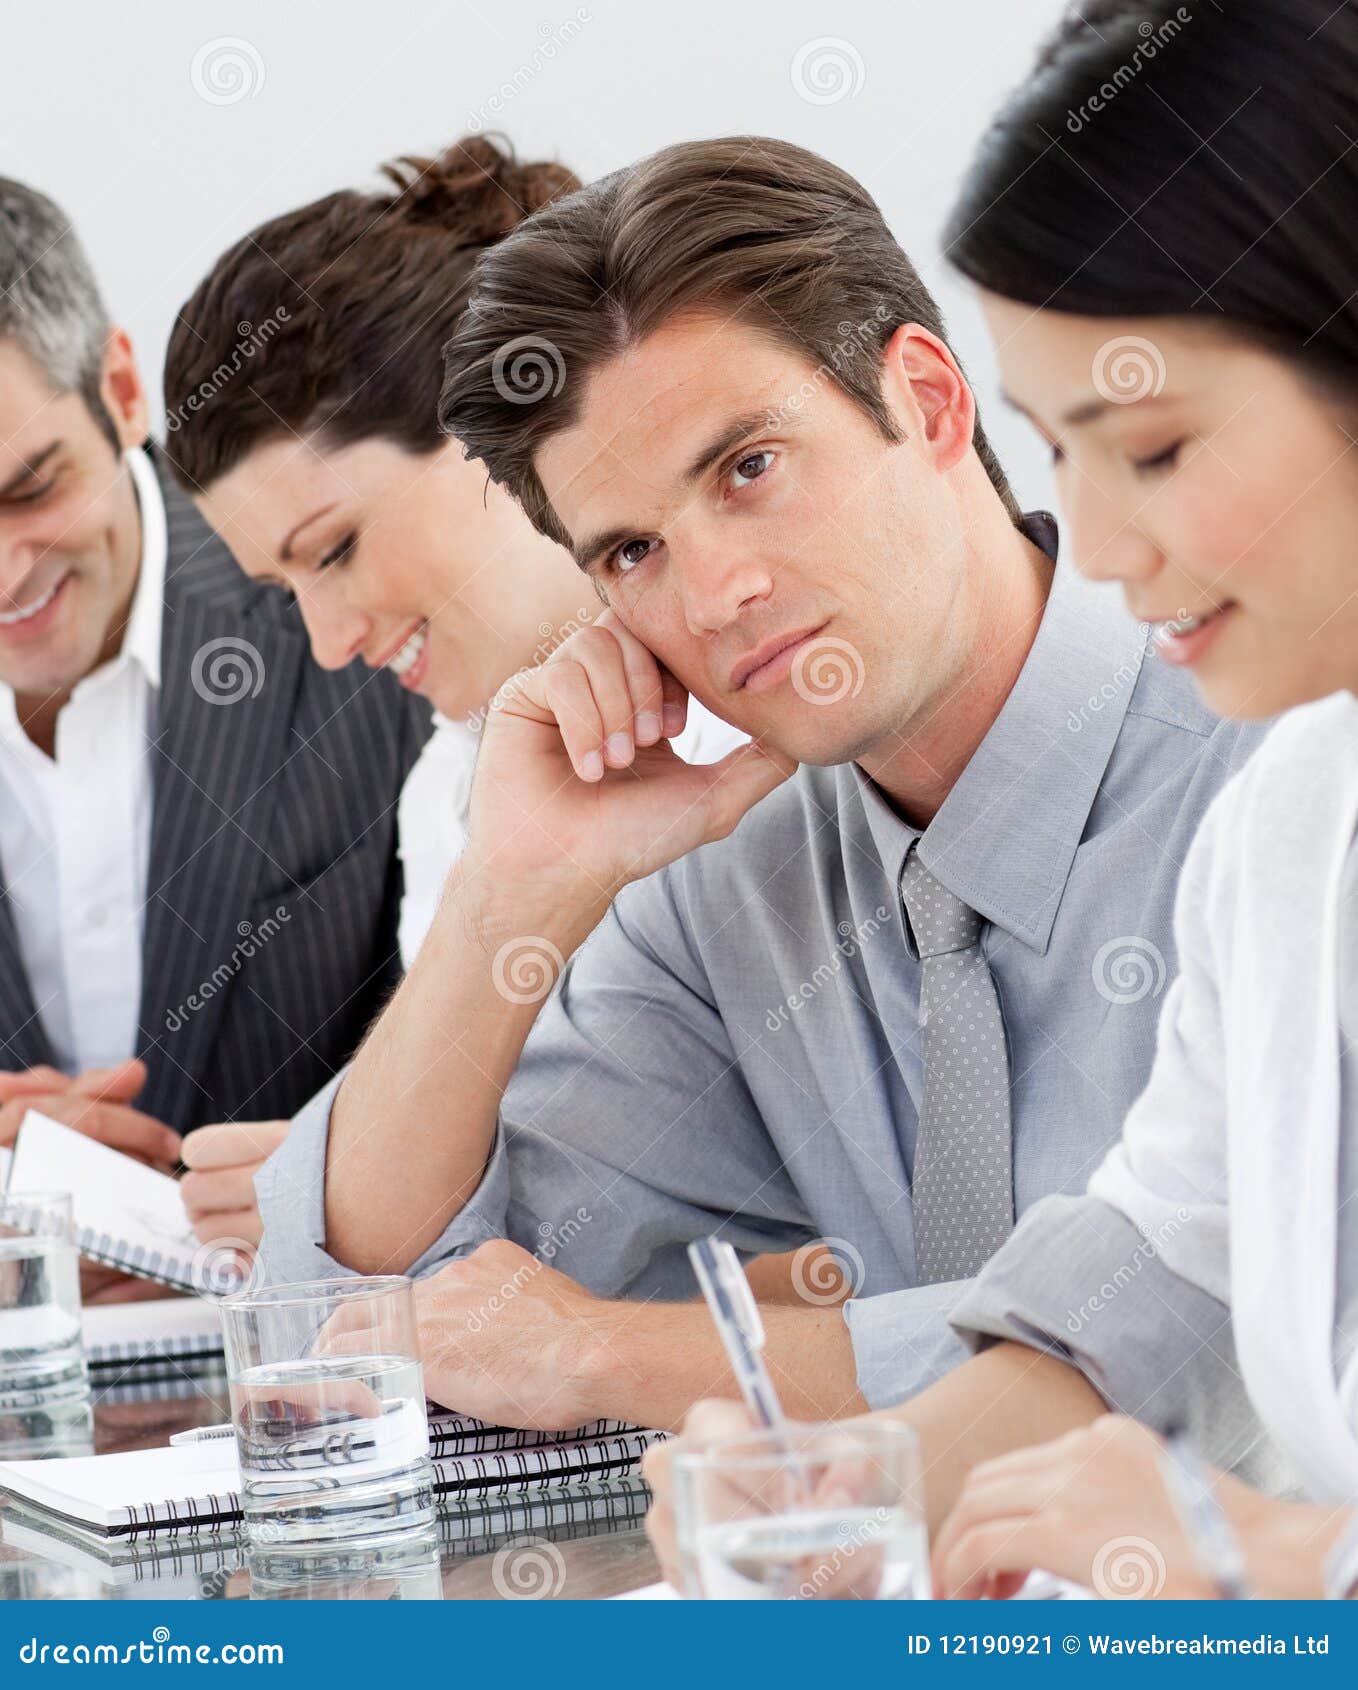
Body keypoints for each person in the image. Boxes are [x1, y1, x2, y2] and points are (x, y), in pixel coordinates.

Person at [251, 134, 1269, 1442]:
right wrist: (509, 894)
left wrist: (616, 1357)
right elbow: (361, 1305)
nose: (716, 592)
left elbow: (1207, 1340)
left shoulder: (1271, 766)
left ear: (926, 398)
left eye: (747, 467)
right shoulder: (732, 876)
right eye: (631, 550)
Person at [650, 0, 1358, 1601]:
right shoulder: (1295, 815)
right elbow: (1163, 1251)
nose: (1094, 545)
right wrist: (869, 1482)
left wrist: (1276, 1566)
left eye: (1155, 448)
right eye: (1058, 451)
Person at [162, 134, 745, 1251]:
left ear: (489, 430)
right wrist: (342, 1174)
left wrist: (347, 1184)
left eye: (330, 551)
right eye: (287, 592)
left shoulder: (765, 710)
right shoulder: (451, 782)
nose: (329, 644)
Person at [0, 176, 429, 1295]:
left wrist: (299, 1197)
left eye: (30, 487)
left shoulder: (347, 598)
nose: (5, 574)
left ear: (122, 389)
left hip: (334, 1385)